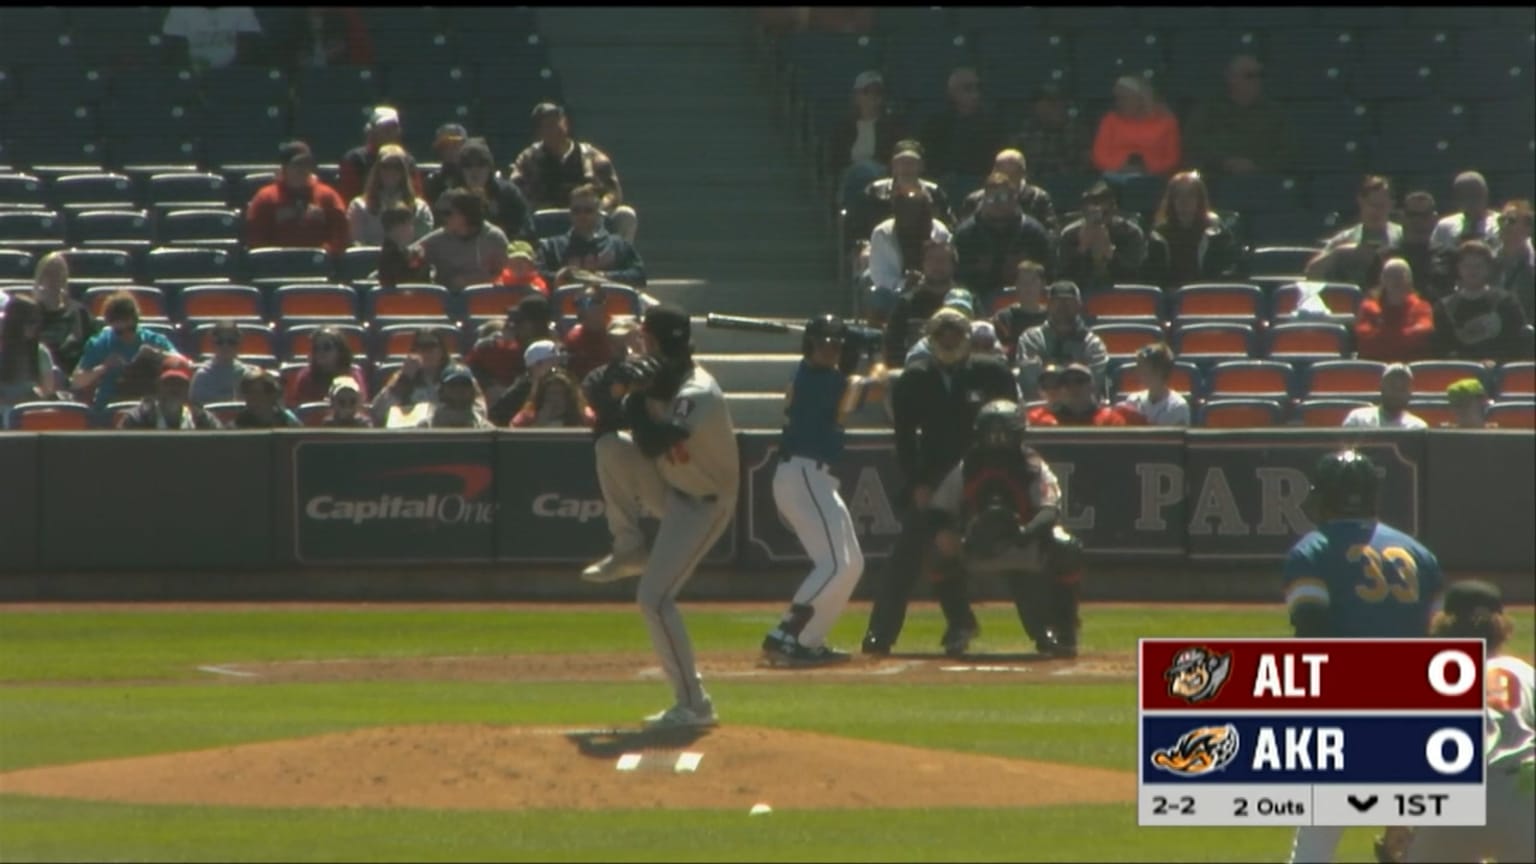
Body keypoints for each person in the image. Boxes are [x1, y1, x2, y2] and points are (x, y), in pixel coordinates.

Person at [579, 305, 740, 731]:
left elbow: (654, 443)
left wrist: (631, 397)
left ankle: (695, 705)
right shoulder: (655, 380)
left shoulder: (697, 391)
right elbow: (602, 413)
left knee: (654, 599)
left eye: (646, 341)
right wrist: (613, 391)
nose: (639, 348)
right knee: (609, 447)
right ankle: (628, 547)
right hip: (672, 484)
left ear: (665, 345)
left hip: (704, 503)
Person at [1282, 450, 1445, 864]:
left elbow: (1312, 628)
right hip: (1416, 700)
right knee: (1416, 838)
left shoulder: (1313, 550)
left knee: (1320, 832)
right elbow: (1441, 636)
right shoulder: (1419, 554)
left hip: (1347, 701)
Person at [863, 307, 1020, 657]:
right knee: (908, 553)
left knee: (1024, 551)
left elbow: (1014, 426)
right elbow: (905, 438)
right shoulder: (915, 379)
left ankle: (1052, 631)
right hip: (934, 479)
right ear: (930, 339)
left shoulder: (992, 373)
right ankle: (884, 633)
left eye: (956, 334)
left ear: (968, 338)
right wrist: (918, 482)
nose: (950, 341)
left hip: (988, 476)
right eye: (942, 335)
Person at [926, 399, 1084, 657]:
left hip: (1024, 541)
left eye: (1003, 433)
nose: (997, 440)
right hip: (977, 544)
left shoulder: (1031, 465)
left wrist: (1024, 533)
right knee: (936, 549)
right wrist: (946, 532)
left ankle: (1063, 626)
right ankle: (960, 623)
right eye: (991, 433)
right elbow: (938, 510)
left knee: (1066, 546)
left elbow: (1049, 510)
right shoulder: (969, 465)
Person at [1391, 580, 1535, 864]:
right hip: (1520, 797)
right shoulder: (1525, 673)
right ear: (1500, 625)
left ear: (1445, 624)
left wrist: (1397, 823)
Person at [762, 314, 869, 666]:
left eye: (836, 345)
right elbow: (866, 390)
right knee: (835, 563)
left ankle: (808, 640)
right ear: (809, 344)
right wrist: (878, 356)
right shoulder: (817, 380)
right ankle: (784, 636)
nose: (831, 350)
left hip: (814, 477)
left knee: (851, 564)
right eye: (824, 343)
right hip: (802, 474)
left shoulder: (821, 375)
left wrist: (856, 349)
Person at [510, 102, 638, 243]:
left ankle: (619, 258)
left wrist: (598, 207)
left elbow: (613, 192)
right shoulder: (528, 158)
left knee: (626, 215)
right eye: (547, 125)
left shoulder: (590, 155)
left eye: (557, 121)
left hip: (589, 217)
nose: (554, 128)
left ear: (566, 123)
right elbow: (515, 190)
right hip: (546, 220)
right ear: (539, 132)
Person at [70, 291, 187, 412]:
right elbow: (76, 382)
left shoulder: (153, 340)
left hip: (148, 406)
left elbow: (184, 364)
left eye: (131, 328)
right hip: (111, 406)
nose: (127, 335)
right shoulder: (100, 343)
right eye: (120, 332)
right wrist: (104, 367)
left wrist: (159, 354)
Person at [1184, 55, 1295, 176]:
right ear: (1231, 78)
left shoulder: (1275, 113)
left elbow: (1289, 152)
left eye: (1260, 75)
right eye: (1249, 76)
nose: (1256, 80)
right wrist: (1224, 163)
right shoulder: (1208, 110)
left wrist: (1257, 166)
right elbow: (1192, 145)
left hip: (1264, 181)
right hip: (1215, 180)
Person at [953, 171, 1054, 303]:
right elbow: (957, 277)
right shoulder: (966, 234)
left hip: (1024, 300)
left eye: (1002, 197)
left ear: (1014, 198)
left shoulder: (1033, 232)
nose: (996, 203)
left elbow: (1049, 272)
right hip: (978, 300)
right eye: (990, 198)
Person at [246, 140, 350, 257]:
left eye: (307, 163)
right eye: (297, 164)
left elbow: (341, 234)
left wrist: (324, 253)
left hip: (318, 266)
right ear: (285, 167)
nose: (303, 169)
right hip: (278, 267)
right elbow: (256, 238)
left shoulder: (327, 196)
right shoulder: (265, 198)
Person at [848, 139, 955, 252]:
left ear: (921, 166)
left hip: (926, 252)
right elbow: (856, 229)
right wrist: (863, 247)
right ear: (893, 166)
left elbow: (948, 228)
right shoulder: (874, 192)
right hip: (880, 250)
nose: (906, 168)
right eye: (901, 162)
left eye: (912, 162)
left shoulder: (935, 193)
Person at [1431, 240, 1530, 361]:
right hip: (1459, 371)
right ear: (1458, 268)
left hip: (1499, 372)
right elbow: (1443, 347)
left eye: (1479, 266)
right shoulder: (1444, 307)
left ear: (1488, 268)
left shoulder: (1506, 302)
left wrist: (1496, 360)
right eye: (1467, 266)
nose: (1472, 271)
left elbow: (1516, 342)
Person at [535, 184, 646, 288]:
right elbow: (537, 274)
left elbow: (639, 274)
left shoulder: (618, 245)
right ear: (570, 213)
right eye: (576, 211)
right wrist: (561, 276)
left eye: (588, 210)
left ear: (598, 213)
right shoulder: (552, 246)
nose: (582, 215)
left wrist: (606, 276)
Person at [1016, 281, 1110, 400]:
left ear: (1079, 305)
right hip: (1041, 408)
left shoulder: (1092, 343)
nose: (1062, 307)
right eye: (1057, 302)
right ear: (1048, 305)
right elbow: (1031, 381)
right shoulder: (1031, 338)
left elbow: (1094, 381)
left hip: (1081, 410)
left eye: (1069, 302)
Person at [829, 70, 909, 208]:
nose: (873, 97)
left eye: (877, 92)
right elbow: (835, 161)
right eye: (867, 92)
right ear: (857, 96)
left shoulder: (893, 127)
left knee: (870, 174)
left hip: (881, 175)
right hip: (851, 177)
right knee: (858, 174)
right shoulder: (844, 128)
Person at [1305, 175, 1401, 286]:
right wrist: (1339, 253)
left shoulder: (1401, 236)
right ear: (1361, 202)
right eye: (1372, 205)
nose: (1376, 211)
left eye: (1382, 206)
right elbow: (1311, 273)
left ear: (1391, 205)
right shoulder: (1345, 238)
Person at [1148, 170, 1238, 288]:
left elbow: (1225, 275)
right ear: (1171, 201)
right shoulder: (1157, 236)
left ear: (1200, 200)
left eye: (1190, 195)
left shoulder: (1218, 235)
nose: (1183, 201)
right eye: (1177, 195)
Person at [869, 188, 952, 314]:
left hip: (936, 287)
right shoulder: (882, 233)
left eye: (918, 208)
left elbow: (949, 265)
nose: (912, 214)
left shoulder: (940, 231)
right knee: (879, 295)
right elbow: (879, 275)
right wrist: (905, 283)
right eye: (906, 209)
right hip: (897, 291)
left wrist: (926, 281)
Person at [1056, 181, 1149, 293]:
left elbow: (1136, 275)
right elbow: (1062, 275)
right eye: (1091, 212)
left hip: (1121, 296)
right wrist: (1082, 249)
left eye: (1105, 212)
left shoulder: (1130, 234)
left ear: (1114, 209)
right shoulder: (1069, 235)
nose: (1098, 219)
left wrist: (1110, 254)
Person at [411, 187, 510, 292]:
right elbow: (411, 254)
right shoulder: (438, 239)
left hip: (485, 300)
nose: (443, 218)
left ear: (466, 214)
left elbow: (506, 274)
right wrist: (415, 256)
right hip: (448, 302)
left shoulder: (494, 238)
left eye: (448, 213)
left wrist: (471, 281)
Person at [881, 239, 960, 367]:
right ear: (923, 264)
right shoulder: (907, 303)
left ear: (953, 265)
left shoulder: (967, 301)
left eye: (943, 260)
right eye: (931, 260)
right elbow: (892, 347)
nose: (937, 265)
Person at [920, 67, 1006, 184]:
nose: (975, 94)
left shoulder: (992, 124)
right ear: (953, 91)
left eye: (978, 88)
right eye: (968, 88)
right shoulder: (936, 124)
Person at [1091, 76, 1182, 178]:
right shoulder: (1110, 120)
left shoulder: (1166, 122)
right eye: (1117, 98)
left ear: (1141, 99)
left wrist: (1148, 167)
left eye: (1124, 98)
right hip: (1115, 175)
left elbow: (1172, 159)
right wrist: (1121, 166)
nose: (1119, 103)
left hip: (1153, 176)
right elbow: (1099, 156)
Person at [475, 294, 555, 410]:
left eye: (519, 322)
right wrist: (489, 384)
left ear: (537, 325)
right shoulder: (498, 349)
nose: (514, 326)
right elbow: (470, 370)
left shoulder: (556, 354)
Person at [347, 143, 433, 246]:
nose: (391, 171)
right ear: (377, 170)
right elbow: (356, 242)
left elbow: (423, 244)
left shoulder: (420, 208)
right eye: (385, 166)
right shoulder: (359, 206)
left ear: (404, 171)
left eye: (397, 167)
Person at [1354, 258, 1436, 362]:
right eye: (1390, 276)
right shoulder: (1368, 307)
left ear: (1410, 280)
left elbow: (1423, 332)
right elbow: (1364, 337)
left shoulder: (1422, 307)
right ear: (1382, 280)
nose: (1395, 281)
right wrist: (1402, 337)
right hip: (1376, 366)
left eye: (1400, 276)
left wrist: (1383, 336)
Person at [453, 137, 533, 241]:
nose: (474, 170)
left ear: (490, 167)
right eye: (467, 165)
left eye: (481, 164)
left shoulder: (508, 193)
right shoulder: (452, 197)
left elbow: (526, 230)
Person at [338, 106, 424, 203]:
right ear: (372, 130)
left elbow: (416, 197)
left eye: (393, 127)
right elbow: (347, 199)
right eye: (384, 127)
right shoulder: (354, 159)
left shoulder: (408, 161)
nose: (389, 132)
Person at [370, 327, 453, 427]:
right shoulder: (401, 378)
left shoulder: (456, 376)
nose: (426, 352)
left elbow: (476, 409)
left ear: (442, 351)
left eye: (431, 346)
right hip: (413, 434)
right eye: (421, 347)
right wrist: (404, 378)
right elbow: (378, 412)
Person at [955, 149, 1056, 230]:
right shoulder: (975, 200)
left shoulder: (1038, 198)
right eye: (1002, 173)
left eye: (1012, 175)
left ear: (1023, 174)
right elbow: (961, 233)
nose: (1007, 179)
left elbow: (1050, 233)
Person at [1010, 83, 1092, 179]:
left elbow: (1085, 169)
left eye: (1058, 101)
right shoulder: (1023, 134)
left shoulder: (1077, 132)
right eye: (1049, 102)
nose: (1055, 106)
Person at [506, 341, 595, 429]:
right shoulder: (519, 395)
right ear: (537, 365)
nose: (558, 366)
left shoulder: (584, 415)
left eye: (560, 394)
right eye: (551, 394)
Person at [30, 252, 92, 375]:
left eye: (59, 272)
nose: (55, 278)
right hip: (39, 377)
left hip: (72, 376)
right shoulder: (30, 313)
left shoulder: (79, 312)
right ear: (40, 277)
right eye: (49, 273)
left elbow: (91, 346)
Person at [0, 294, 60, 410]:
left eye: (37, 322)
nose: (34, 327)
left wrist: (34, 395)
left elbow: (47, 392)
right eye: (30, 322)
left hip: (29, 413)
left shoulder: (40, 352)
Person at [285, 324, 367, 407]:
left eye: (327, 347)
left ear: (340, 351)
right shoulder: (306, 377)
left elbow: (359, 406)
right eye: (316, 348)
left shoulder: (352, 375)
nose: (321, 352)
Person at [161, 6, 262, 72]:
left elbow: (250, 48)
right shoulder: (179, 10)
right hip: (192, 72)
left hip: (234, 73)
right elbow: (173, 50)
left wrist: (231, 71)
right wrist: (191, 66)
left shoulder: (242, 10)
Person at [1113, 342, 1190, 426]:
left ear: (1159, 371)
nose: (1138, 372)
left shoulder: (1178, 406)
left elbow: (1174, 438)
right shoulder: (1133, 401)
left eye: (1143, 368)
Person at [120, 367, 221, 430]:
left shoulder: (203, 419)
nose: (174, 389)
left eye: (180, 384)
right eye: (168, 384)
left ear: (188, 389)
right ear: (158, 387)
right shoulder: (137, 418)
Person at [1430, 171, 1501, 257]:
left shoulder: (1501, 223)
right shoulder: (1445, 227)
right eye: (1465, 196)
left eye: (1476, 195)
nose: (1471, 201)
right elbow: (1436, 257)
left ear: (1486, 195)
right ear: (1457, 199)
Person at [992, 260, 1049, 364]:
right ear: (1016, 285)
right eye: (1023, 282)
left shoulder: (1051, 317)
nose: (1028, 287)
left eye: (1032, 281)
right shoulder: (1003, 318)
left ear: (1042, 285)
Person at [280, 6, 373, 69]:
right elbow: (293, 49)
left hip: (334, 70)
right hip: (304, 72)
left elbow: (340, 45)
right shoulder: (296, 21)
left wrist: (323, 57)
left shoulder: (336, 18)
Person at [1036, 362, 1126, 426]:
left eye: (1079, 381)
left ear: (1092, 386)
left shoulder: (1110, 419)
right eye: (1066, 382)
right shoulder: (1047, 421)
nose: (1073, 387)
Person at [189, 319, 254, 406]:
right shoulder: (202, 376)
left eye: (231, 342)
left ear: (239, 344)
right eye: (220, 342)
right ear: (212, 344)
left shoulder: (245, 374)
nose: (225, 346)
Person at [1342, 363, 1427, 429]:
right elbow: (1345, 450)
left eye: (1403, 387)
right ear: (1381, 386)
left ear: (1410, 391)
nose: (1397, 391)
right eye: (1392, 385)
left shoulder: (1417, 427)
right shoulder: (1358, 418)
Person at [1493, 199, 1534, 321]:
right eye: (1501, 220)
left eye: (1511, 220)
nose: (1504, 225)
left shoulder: (1532, 265)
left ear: (1527, 228)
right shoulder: (1488, 261)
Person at [375, 203, 434, 288]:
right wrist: (421, 262)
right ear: (396, 227)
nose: (412, 229)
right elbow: (408, 283)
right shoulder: (389, 256)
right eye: (408, 224)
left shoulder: (404, 252)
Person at [563, 285, 616, 379]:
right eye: (578, 303)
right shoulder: (573, 338)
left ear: (603, 304)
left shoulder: (619, 333)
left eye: (588, 303)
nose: (581, 309)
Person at [420, 364, 493, 429]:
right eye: (453, 384)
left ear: (473, 390)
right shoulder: (426, 427)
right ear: (442, 390)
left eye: (464, 384)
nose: (459, 389)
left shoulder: (485, 429)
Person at [232, 368, 301, 428]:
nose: (251, 399)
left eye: (257, 393)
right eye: (247, 393)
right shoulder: (238, 424)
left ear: (272, 395)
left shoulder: (289, 421)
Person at [422, 123, 468, 207]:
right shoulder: (432, 181)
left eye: (455, 145)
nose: (451, 150)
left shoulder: (477, 175)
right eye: (446, 146)